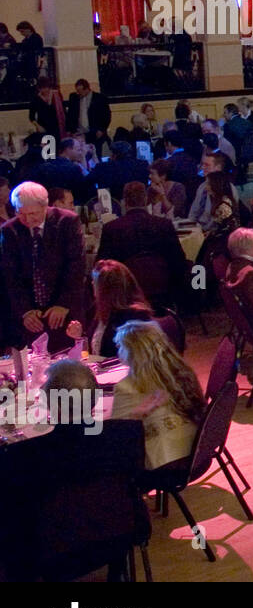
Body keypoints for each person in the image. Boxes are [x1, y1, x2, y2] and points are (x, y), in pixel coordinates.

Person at [109, 320, 204, 470]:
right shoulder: (181, 371)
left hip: (162, 462)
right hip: (196, 451)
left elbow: (116, 434)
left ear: (133, 351)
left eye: (120, 346)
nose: (118, 351)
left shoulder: (127, 386)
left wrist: (135, 415)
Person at [1, 182, 86, 350]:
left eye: (33, 213)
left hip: (65, 306)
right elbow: (10, 275)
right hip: (30, 311)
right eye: (20, 213)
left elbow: (76, 266)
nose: (27, 219)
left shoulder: (67, 222)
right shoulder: (9, 230)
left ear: (45, 206)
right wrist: (25, 311)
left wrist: (63, 304)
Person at [97, 182, 190, 288]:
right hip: (163, 287)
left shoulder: (112, 228)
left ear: (124, 201)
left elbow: (102, 266)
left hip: (126, 290)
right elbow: (179, 261)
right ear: (145, 200)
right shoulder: (164, 225)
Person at [65, 260, 155, 362]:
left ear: (108, 289)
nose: (92, 284)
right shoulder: (100, 310)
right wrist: (80, 338)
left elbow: (135, 360)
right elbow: (91, 352)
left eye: (96, 282)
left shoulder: (135, 317)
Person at [66, 79, 111, 150]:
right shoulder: (74, 98)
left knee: (96, 152)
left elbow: (106, 115)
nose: (78, 93)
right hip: (79, 132)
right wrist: (70, 130)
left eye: (80, 91)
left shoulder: (100, 98)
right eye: (77, 91)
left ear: (86, 89)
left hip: (94, 131)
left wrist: (101, 130)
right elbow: (70, 115)